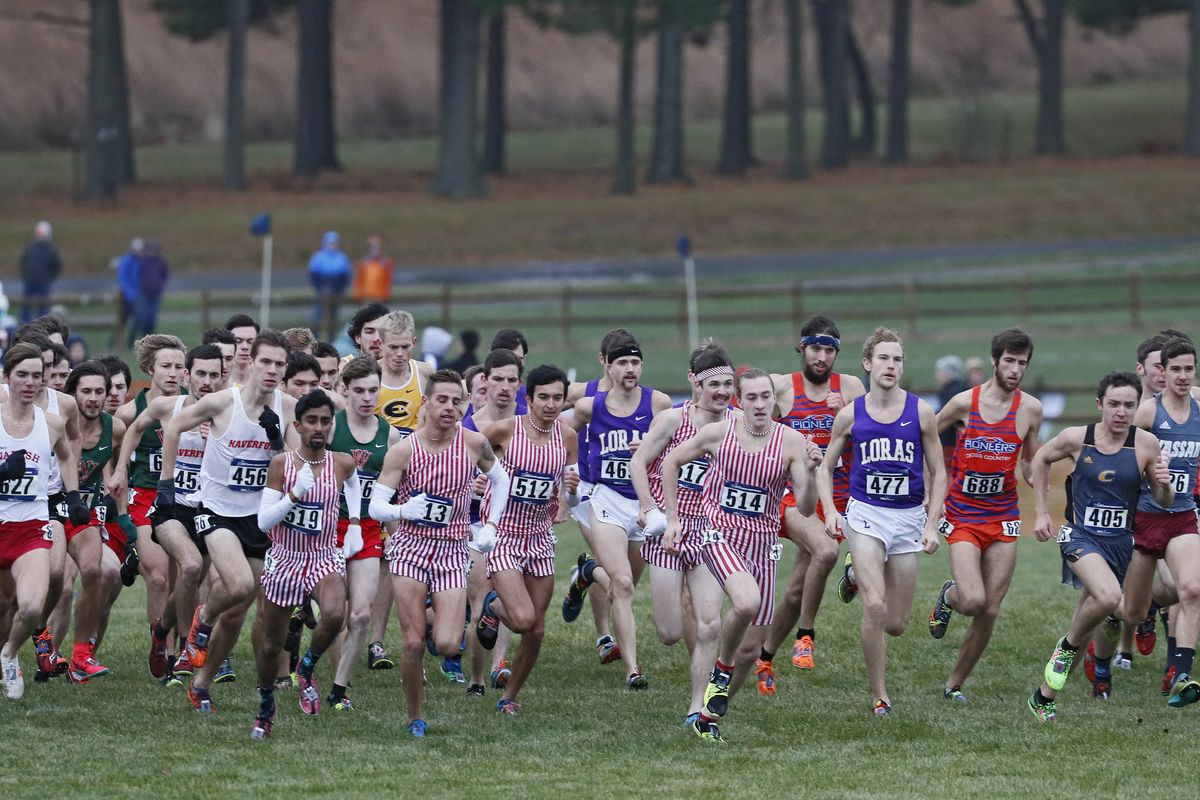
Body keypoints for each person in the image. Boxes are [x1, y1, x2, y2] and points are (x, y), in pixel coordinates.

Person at [661, 367, 822, 741]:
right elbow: (671, 463)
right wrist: (672, 518)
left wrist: (811, 472)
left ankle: (708, 716)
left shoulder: (791, 442)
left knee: (752, 649)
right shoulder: (719, 433)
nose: (760, 404)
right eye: (751, 397)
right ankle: (721, 667)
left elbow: (807, 507)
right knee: (746, 603)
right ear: (739, 400)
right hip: (718, 534)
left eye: (766, 396)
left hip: (763, 544)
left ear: (774, 399)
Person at [158, 329, 299, 713]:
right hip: (216, 512)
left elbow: (296, 465)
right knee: (237, 585)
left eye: (279, 364)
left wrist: (276, 441)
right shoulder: (223, 402)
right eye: (265, 361)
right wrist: (166, 483)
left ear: (286, 370)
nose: (271, 370)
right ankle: (201, 622)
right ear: (249, 361)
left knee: (237, 612)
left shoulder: (287, 408)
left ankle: (202, 683)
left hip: (260, 517)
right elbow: (173, 427)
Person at [368, 368, 511, 737]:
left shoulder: (473, 443)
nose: (449, 407)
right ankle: (416, 715)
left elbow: (500, 478)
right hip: (410, 549)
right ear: (427, 403)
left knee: (448, 644)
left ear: (465, 404)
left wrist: (492, 523)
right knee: (413, 642)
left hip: (451, 550)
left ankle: (441, 621)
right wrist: (402, 511)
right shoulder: (403, 450)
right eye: (442, 400)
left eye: (457, 401)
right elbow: (375, 506)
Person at [1027, 371, 1173, 722]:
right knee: (1108, 598)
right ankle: (1066, 647)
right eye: (1114, 404)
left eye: (1128, 405)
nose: (1121, 412)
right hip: (1079, 535)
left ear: (1137, 407)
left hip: (1122, 543)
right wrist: (1042, 513)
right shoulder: (1078, 438)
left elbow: (1164, 500)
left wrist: (1165, 484)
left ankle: (1043, 697)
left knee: (1103, 617)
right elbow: (1040, 459)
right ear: (1100, 405)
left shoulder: (1147, 444)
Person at [819, 327, 947, 715]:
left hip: (908, 518)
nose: (891, 366)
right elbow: (825, 468)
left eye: (897, 359)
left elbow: (939, 473)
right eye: (884, 359)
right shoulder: (850, 414)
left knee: (895, 623)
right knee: (874, 608)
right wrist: (830, 511)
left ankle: (855, 575)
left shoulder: (920, 412)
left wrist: (930, 524)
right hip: (866, 516)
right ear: (867, 364)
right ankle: (880, 695)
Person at [927, 329, 1042, 702]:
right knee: (973, 600)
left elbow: (1030, 462)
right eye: (1008, 361)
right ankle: (950, 594)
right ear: (994, 361)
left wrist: (1040, 498)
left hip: (1004, 516)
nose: (1014, 369)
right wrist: (933, 485)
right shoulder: (963, 403)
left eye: (1021, 363)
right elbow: (928, 433)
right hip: (962, 516)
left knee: (990, 609)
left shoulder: (1031, 410)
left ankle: (954, 684)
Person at [629, 343, 735, 728]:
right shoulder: (673, 421)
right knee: (670, 632)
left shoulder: (736, 424)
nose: (722, 392)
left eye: (728, 384)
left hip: (711, 533)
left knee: (710, 624)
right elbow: (638, 463)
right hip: (668, 532)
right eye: (715, 385)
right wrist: (649, 508)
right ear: (696, 384)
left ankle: (697, 707)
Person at [756, 316, 865, 690]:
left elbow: (870, 438)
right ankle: (806, 636)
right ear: (802, 348)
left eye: (830, 350)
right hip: (794, 498)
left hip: (837, 499)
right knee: (825, 553)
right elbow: (755, 430)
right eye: (816, 348)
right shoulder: (781, 387)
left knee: (795, 591)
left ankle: (765, 659)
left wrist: (846, 412)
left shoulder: (850, 387)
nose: (822, 357)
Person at [563, 338, 673, 689]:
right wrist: (569, 468)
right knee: (622, 585)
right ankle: (632, 670)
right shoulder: (589, 406)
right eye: (622, 362)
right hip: (605, 500)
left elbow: (679, 440)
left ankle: (587, 573)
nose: (630, 369)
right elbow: (561, 434)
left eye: (635, 363)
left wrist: (654, 448)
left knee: (624, 585)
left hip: (644, 504)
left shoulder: (659, 403)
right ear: (607, 367)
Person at [251, 389, 356, 739]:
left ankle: (307, 667)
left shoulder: (341, 463)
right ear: (297, 424)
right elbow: (263, 522)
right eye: (312, 420)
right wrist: (293, 495)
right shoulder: (281, 464)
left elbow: (353, 484)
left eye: (326, 421)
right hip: (285, 558)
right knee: (271, 644)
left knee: (336, 614)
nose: (319, 427)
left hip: (323, 556)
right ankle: (266, 704)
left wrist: (354, 522)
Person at [474, 364, 580, 713]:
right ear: (529, 398)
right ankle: (491, 607)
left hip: (539, 537)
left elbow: (571, 492)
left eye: (557, 398)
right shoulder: (504, 431)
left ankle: (509, 697)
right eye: (544, 397)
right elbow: (468, 457)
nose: (551, 404)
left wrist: (570, 497)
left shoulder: (567, 438)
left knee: (536, 630)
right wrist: (474, 484)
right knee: (521, 620)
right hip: (504, 533)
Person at [120, 345, 224, 686]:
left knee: (190, 582)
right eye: (200, 374)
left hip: (208, 509)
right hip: (169, 505)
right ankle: (183, 648)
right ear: (187, 376)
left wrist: (220, 444)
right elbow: (133, 429)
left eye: (214, 375)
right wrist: (121, 468)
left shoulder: (229, 415)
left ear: (222, 377)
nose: (207, 382)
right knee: (190, 566)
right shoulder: (168, 406)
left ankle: (160, 630)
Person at [0, 342, 87, 700]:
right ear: (7, 378)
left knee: (32, 605)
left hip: (31, 527)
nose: (30, 382)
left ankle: (8, 655)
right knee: (3, 608)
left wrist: (72, 494)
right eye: (22, 374)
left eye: (38, 375)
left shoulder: (51, 424)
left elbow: (67, 456)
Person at [1124, 338, 1200, 708]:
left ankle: (1181, 675)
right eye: (1176, 369)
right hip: (1145, 517)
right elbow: (1121, 461)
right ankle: (1144, 609)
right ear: (1162, 372)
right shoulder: (1147, 414)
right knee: (1131, 610)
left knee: (1192, 590)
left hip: (1183, 515)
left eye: (1189, 369)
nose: (1183, 376)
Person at [106, 334, 186, 676]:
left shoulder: (195, 405)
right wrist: (119, 478)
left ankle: (185, 644)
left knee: (185, 575)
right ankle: (162, 651)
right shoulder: (128, 412)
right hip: (144, 500)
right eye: (165, 366)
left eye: (179, 367)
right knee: (156, 577)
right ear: (149, 369)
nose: (173, 373)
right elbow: (108, 460)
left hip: (183, 498)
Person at [327, 356, 402, 708]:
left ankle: (339, 689)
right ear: (344, 390)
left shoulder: (392, 435)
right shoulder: (329, 428)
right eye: (359, 390)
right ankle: (317, 667)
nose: (367, 397)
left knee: (359, 615)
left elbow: (397, 491)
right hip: (328, 529)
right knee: (334, 613)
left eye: (373, 390)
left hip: (369, 529)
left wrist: (398, 533)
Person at [561, 329, 632, 666]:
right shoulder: (583, 393)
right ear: (603, 361)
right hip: (587, 490)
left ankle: (584, 576)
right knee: (611, 570)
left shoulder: (641, 398)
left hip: (628, 496)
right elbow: (543, 411)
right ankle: (605, 637)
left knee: (628, 573)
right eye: (615, 359)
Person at [61, 361, 133, 683]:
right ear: (72, 393)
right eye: (86, 391)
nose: (93, 398)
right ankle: (39, 643)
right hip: (49, 508)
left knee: (96, 571)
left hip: (83, 514)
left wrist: (122, 508)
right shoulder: (57, 423)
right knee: (53, 584)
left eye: (99, 392)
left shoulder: (114, 428)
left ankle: (80, 656)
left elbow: (118, 467)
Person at [376, 310, 433, 437]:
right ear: (381, 344)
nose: (400, 353)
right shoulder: (368, 375)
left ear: (414, 343)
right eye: (393, 347)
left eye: (405, 347)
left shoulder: (425, 372)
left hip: (415, 451)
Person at [308, 232, 352, 341]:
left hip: (335, 292)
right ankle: (314, 339)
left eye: (334, 243)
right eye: (330, 243)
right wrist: (320, 288)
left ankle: (331, 340)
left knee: (333, 318)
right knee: (318, 317)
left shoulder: (341, 258)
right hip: (321, 291)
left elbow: (345, 276)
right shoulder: (319, 257)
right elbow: (313, 275)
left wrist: (339, 290)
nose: (332, 246)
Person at [18, 221, 62, 324]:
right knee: (26, 308)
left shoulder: (50, 249)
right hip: (30, 281)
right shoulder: (31, 247)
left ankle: (42, 326)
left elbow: (56, 265)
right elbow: (24, 262)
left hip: (43, 282)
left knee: (43, 308)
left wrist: (49, 277)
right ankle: (24, 325)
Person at [935, 355, 967, 471]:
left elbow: (945, 416)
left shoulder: (951, 391)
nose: (937, 375)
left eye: (939, 371)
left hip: (951, 444)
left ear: (947, 373)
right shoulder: (963, 387)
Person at [134, 241, 168, 341]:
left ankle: (151, 336)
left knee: (152, 317)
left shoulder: (161, 262)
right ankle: (145, 336)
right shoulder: (143, 262)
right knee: (145, 316)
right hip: (144, 293)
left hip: (156, 293)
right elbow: (138, 276)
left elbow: (165, 275)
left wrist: (160, 285)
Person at [115, 238, 143, 347]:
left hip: (137, 296)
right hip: (128, 297)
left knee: (137, 320)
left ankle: (129, 342)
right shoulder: (127, 260)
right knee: (123, 320)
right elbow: (123, 279)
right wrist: (131, 295)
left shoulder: (140, 261)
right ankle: (116, 341)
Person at [353, 235, 393, 303]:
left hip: (381, 296)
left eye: (378, 247)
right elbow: (359, 280)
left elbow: (388, 280)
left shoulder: (386, 264)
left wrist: (386, 295)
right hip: (366, 296)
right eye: (373, 247)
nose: (375, 250)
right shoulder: (363, 264)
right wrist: (358, 294)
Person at [224, 314, 260, 388]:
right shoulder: (216, 381)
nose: (245, 347)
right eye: (238, 341)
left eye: (250, 342)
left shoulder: (266, 383)